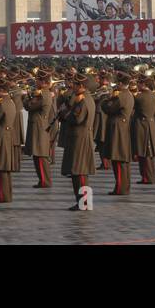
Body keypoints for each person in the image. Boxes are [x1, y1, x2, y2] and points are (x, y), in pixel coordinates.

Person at [60, 79, 95, 210]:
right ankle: (84, 202)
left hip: (79, 139)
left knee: (79, 173)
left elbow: (77, 119)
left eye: (75, 85)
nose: (72, 87)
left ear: (81, 86)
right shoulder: (86, 98)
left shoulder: (83, 101)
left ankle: (84, 203)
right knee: (80, 173)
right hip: (80, 138)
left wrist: (65, 113)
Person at [101, 77, 134, 195]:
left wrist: (105, 99)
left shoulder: (122, 96)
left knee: (118, 160)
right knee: (121, 161)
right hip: (122, 128)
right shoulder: (128, 94)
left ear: (120, 83)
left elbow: (108, 108)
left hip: (118, 129)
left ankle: (121, 188)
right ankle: (123, 187)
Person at [131, 77, 155, 184]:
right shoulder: (153, 95)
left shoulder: (139, 96)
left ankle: (147, 177)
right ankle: (148, 176)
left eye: (139, 83)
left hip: (142, 126)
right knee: (148, 153)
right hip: (151, 124)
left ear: (143, 84)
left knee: (144, 153)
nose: (137, 85)